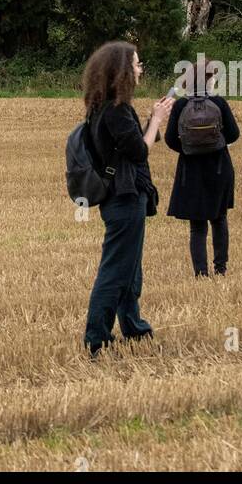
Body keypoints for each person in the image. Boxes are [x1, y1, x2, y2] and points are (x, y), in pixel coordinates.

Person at [82, 41, 174, 355]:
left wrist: (152, 119)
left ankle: (133, 327)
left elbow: (135, 142)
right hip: (124, 197)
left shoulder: (105, 107)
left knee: (130, 268)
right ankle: (96, 338)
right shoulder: (116, 110)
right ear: (122, 70)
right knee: (116, 270)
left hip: (121, 196)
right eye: (136, 63)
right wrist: (158, 120)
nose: (140, 68)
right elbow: (138, 151)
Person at [164, 57, 241, 277]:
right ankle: (221, 268)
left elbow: (170, 139)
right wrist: (215, 144)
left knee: (197, 226)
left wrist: (189, 149)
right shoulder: (218, 103)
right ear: (208, 79)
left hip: (191, 170)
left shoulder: (180, 105)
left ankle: (200, 273)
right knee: (219, 219)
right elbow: (234, 134)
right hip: (218, 167)